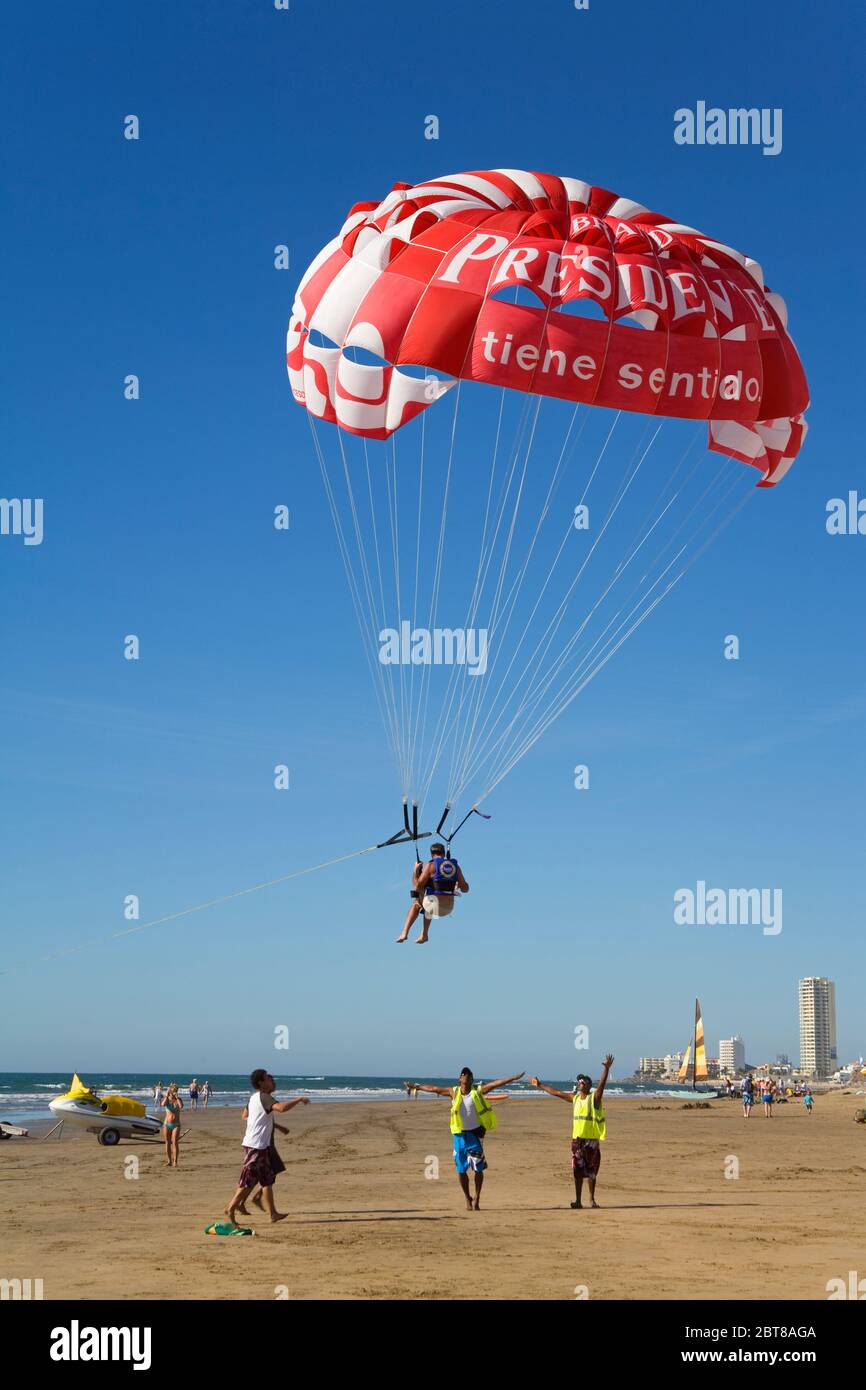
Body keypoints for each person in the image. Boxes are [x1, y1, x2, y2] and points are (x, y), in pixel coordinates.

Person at [403, 1067, 524, 1209]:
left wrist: (514, 1078)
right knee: (461, 1170)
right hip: (459, 1135)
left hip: (475, 1135)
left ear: (471, 1079)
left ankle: (477, 1197)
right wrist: (416, 1087)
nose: (465, 1076)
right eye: (463, 1074)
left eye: (468, 1074)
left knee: (478, 1169)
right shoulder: (453, 1092)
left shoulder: (477, 1091)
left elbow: (495, 1084)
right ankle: (467, 1198)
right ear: (460, 1079)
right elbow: (434, 1088)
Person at [226, 1070, 309, 1226]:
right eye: (268, 1078)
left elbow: (247, 1116)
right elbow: (282, 1108)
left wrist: (271, 1125)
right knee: (248, 1181)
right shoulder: (265, 1097)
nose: (272, 1080)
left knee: (267, 1180)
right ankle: (231, 1208)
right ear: (261, 1082)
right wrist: (298, 1099)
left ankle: (273, 1214)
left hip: (259, 1145)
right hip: (256, 1145)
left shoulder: (254, 1098)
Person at [530, 1054, 613, 1209]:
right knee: (577, 1171)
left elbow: (601, 1086)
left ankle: (592, 1199)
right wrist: (539, 1084)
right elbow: (556, 1092)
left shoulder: (593, 1099)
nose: (580, 1083)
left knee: (592, 1172)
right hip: (577, 1140)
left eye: (583, 1081)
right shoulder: (574, 1099)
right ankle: (578, 1201)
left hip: (592, 1141)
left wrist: (606, 1070)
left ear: (588, 1085)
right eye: (579, 1081)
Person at [396, 843, 469, 944]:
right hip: (448, 908)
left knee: (418, 902)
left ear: (431, 855)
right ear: (444, 854)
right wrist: (458, 883)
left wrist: (415, 872)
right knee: (430, 901)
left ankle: (405, 932)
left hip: (432, 906)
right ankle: (424, 934)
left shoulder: (430, 866)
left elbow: (417, 887)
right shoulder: (456, 867)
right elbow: (466, 889)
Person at [162, 1083, 183, 1167]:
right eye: (172, 1091)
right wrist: (167, 1096)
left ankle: (175, 1161)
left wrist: (177, 1098)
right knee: (167, 1142)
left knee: (174, 1142)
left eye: (175, 1091)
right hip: (167, 1124)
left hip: (176, 1124)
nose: (173, 1093)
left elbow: (181, 1106)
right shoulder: (167, 1099)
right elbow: (163, 1104)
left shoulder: (178, 1099)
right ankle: (169, 1161)